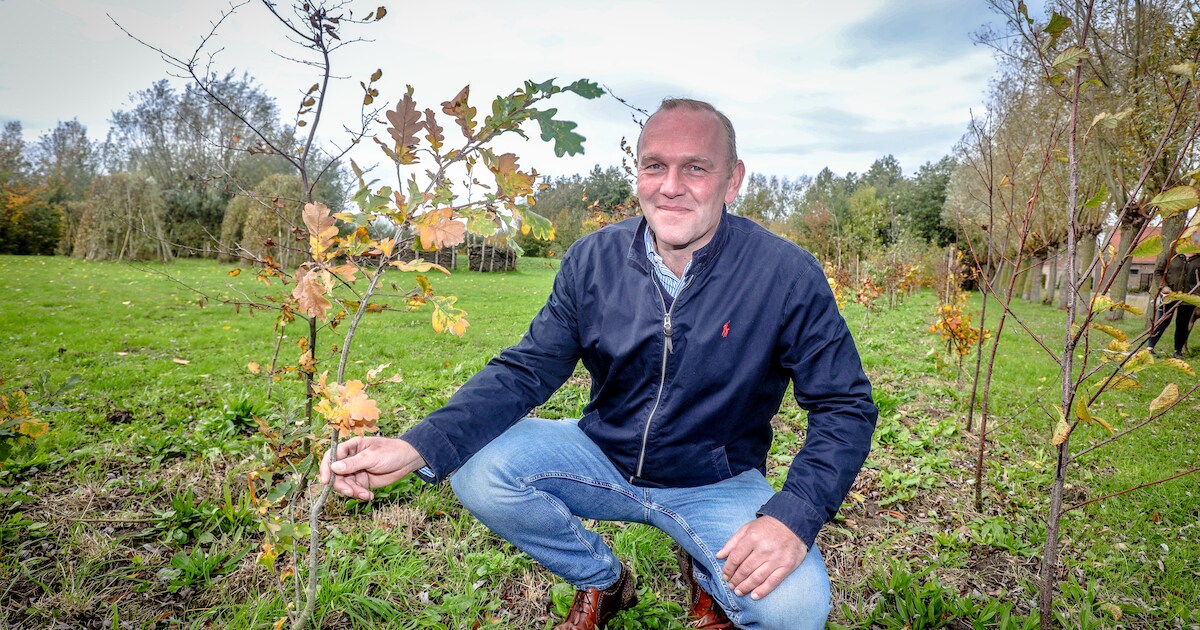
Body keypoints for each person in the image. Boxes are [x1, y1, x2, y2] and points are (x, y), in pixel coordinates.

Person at [320, 98, 878, 630]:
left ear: (733, 180)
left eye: (697, 168)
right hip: (601, 456)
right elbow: (527, 369)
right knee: (476, 464)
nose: (671, 187)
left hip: (715, 480)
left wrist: (793, 514)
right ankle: (605, 582)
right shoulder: (593, 260)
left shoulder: (784, 275)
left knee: (795, 612)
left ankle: (710, 567)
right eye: (655, 165)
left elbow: (845, 405)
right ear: (637, 173)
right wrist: (418, 444)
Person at [1153, 252, 1200, 359]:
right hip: (1170, 295)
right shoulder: (1172, 254)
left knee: (1183, 324)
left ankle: (1178, 351)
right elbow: (1158, 272)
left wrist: (1196, 293)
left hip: (1188, 297)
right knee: (1162, 321)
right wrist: (1163, 287)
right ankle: (1149, 348)